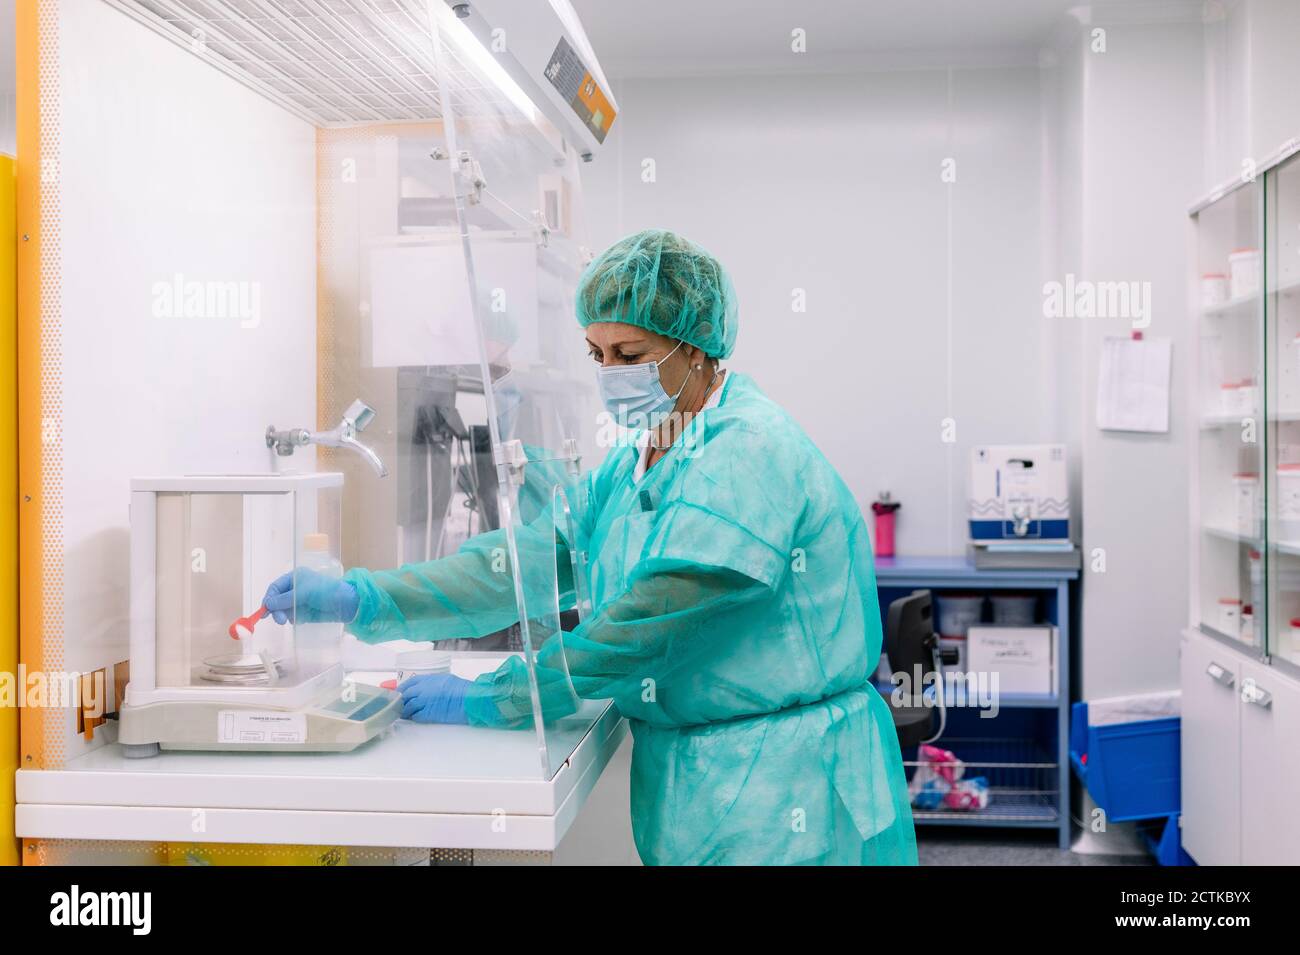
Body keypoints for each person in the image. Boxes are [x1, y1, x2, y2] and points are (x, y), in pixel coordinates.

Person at [264, 229, 917, 865]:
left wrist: (498, 696)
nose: (609, 373)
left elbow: (640, 630)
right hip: (708, 784)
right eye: (596, 353)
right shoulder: (643, 458)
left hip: (790, 794)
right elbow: (521, 562)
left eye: (630, 354)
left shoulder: (746, 456)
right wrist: (366, 596)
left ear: (696, 348)